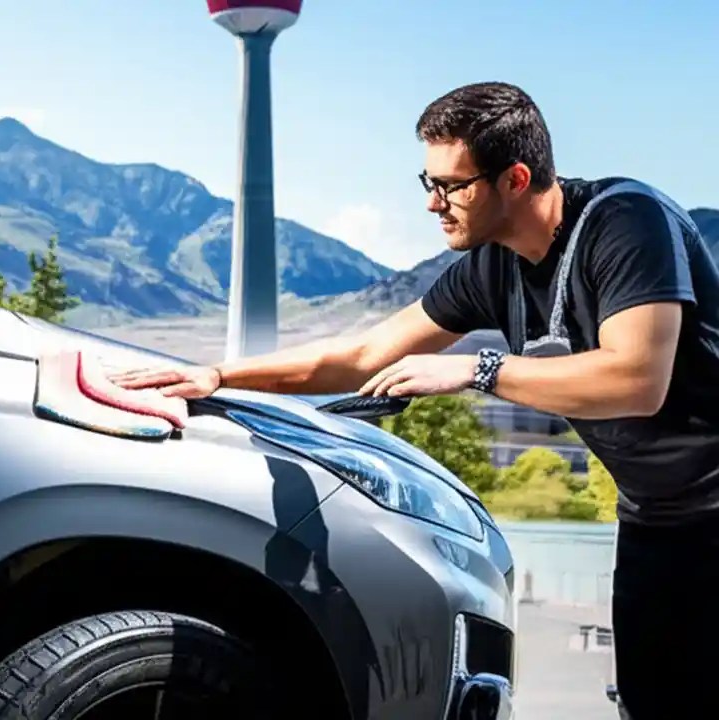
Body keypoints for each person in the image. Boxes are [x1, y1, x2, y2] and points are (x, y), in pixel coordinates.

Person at [110, 81, 719, 718]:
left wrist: (477, 371)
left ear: (515, 178)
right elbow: (361, 355)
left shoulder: (626, 223)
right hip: (657, 520)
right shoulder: (494, 267)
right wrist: (217, 374)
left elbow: (636, 381)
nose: (434, 203)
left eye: (452, 185)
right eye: (426, 182)